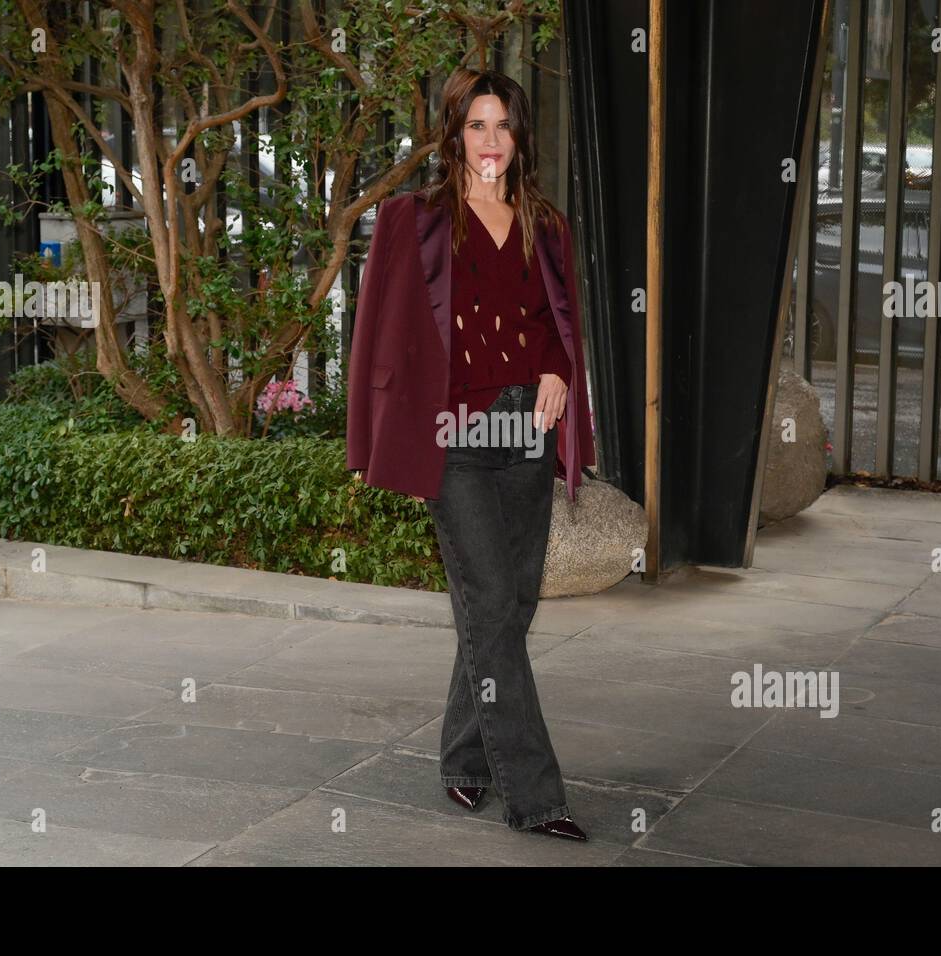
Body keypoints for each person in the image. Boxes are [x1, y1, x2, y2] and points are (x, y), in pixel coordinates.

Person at [346, 67, 597, 841]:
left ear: (520, 138)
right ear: (455, 133)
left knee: (508, 608)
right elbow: (381, 330)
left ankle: (463, 759)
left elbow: (555, 318)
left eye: (504, 127)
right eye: (476, 125)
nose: (491, 141)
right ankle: (537, 795)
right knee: (490, 604)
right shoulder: (412, 219)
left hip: (525, 428)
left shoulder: (545, 224)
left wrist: (557, 367)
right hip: (453, 434)